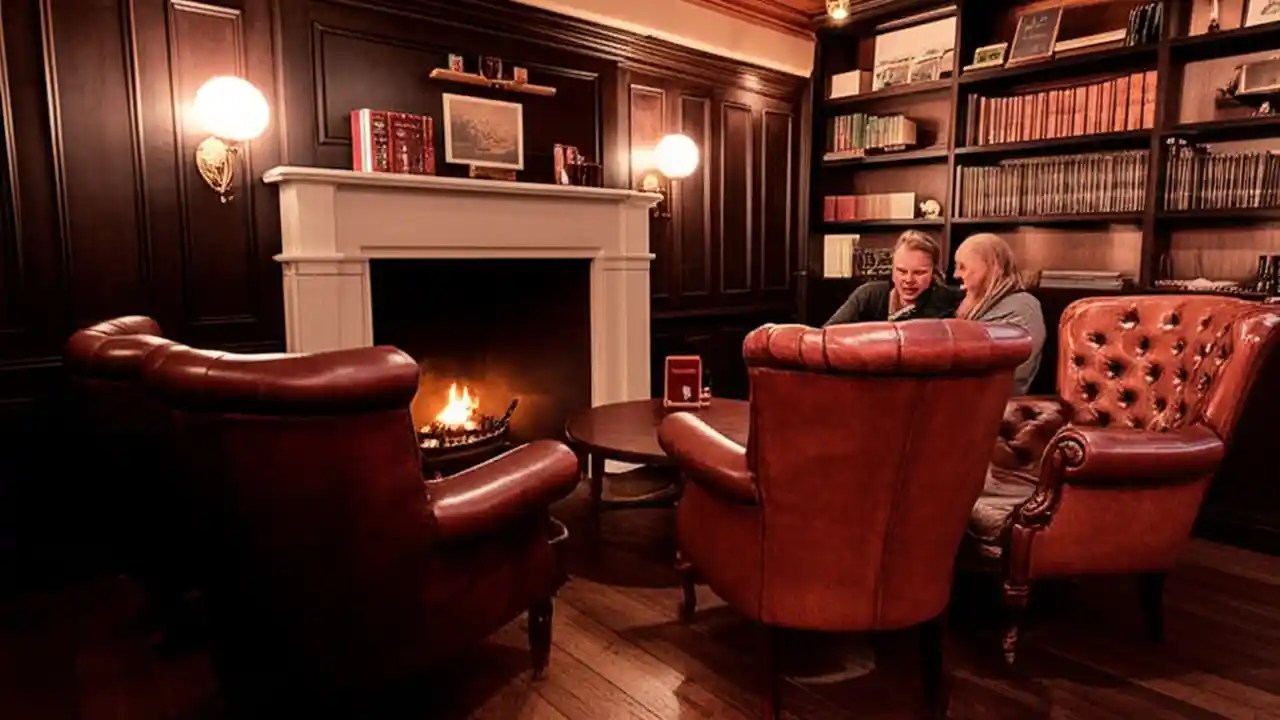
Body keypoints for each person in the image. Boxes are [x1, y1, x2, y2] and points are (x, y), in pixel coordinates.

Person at [953, 233, 1045, 395]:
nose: (956, 275)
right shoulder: (977, 304)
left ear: (990, 268)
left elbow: (1010, 376)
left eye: (963, 267)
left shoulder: (1022, 308)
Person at [824, 230, 961, 325]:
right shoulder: (868, 295)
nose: (909, 280)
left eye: (919, 273)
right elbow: (825, 337)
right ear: (892, 269)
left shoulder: (949, 303)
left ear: (934, 272)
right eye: (901, 271)